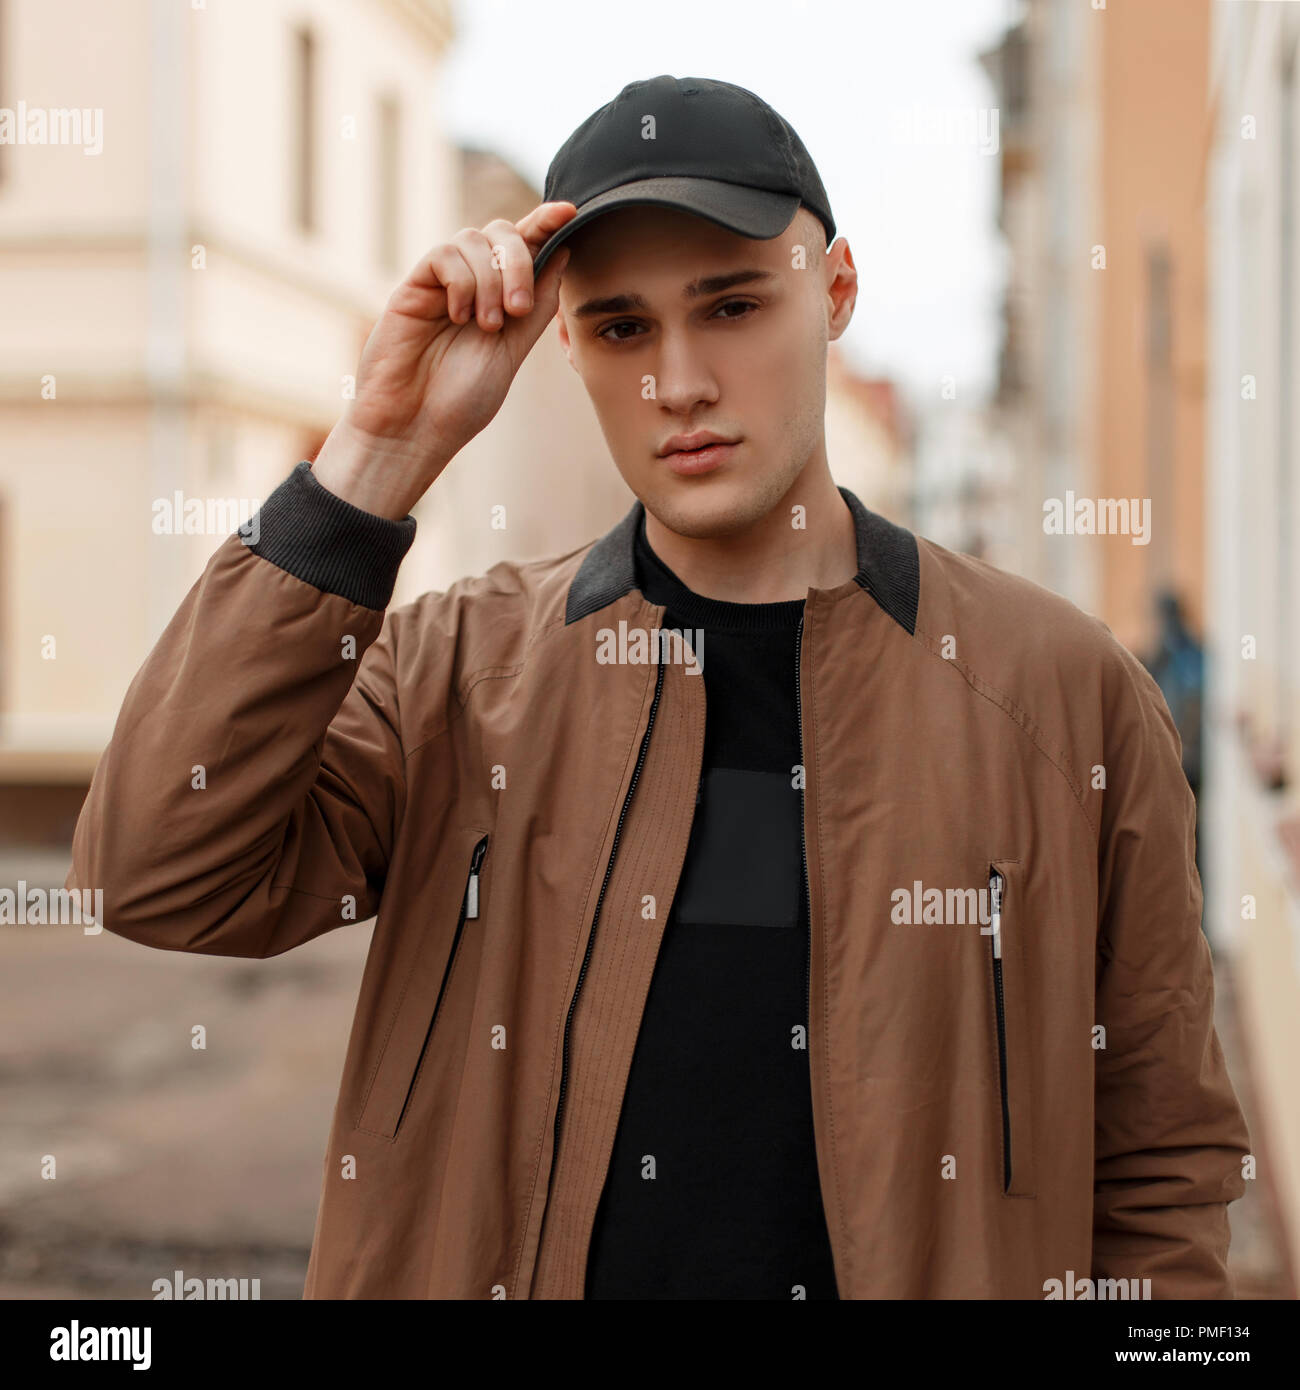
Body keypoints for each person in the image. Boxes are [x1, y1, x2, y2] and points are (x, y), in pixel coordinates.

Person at [67, 74, 1250, 1300]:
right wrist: (372, 464)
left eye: (732, 305)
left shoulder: (1065, 694)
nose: (678, 382)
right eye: (624, 327)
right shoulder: (459, 672)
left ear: (835, 292)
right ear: (567, 345)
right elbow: (158, 875)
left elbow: (1161, 1162)